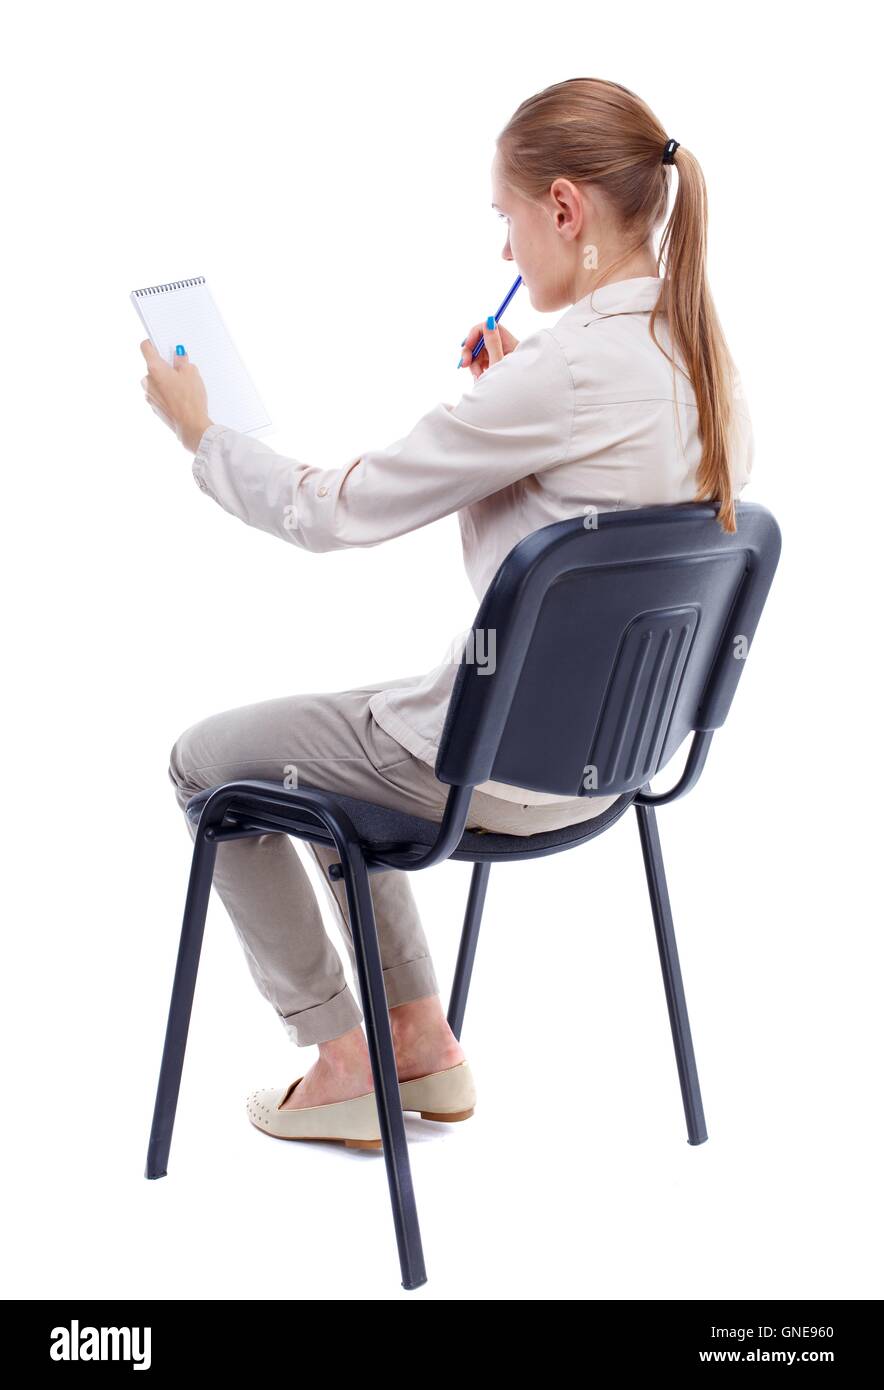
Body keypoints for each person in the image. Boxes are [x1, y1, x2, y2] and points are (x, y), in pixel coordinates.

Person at [140, 76, 754, 1146]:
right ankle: (421, 1042)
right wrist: (509, 408)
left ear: (564, 208)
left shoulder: (567, 369)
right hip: (617, 769)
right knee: (332, 744)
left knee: (207, 764)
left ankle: (343, 1053)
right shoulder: (708, 362)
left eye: (506, 221)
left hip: (492, 772)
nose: (505, 255)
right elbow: (586, 539)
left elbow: (331, 513)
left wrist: (203, 436)